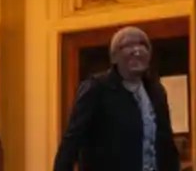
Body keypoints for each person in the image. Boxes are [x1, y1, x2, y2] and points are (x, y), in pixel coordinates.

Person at [52, 26, 179, 171]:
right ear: (114, 57)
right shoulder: (97, 88)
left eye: (143, 45)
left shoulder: (156, 92)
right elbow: (72, 141)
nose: (136, 50)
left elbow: (167, 144)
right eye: (128, 45)